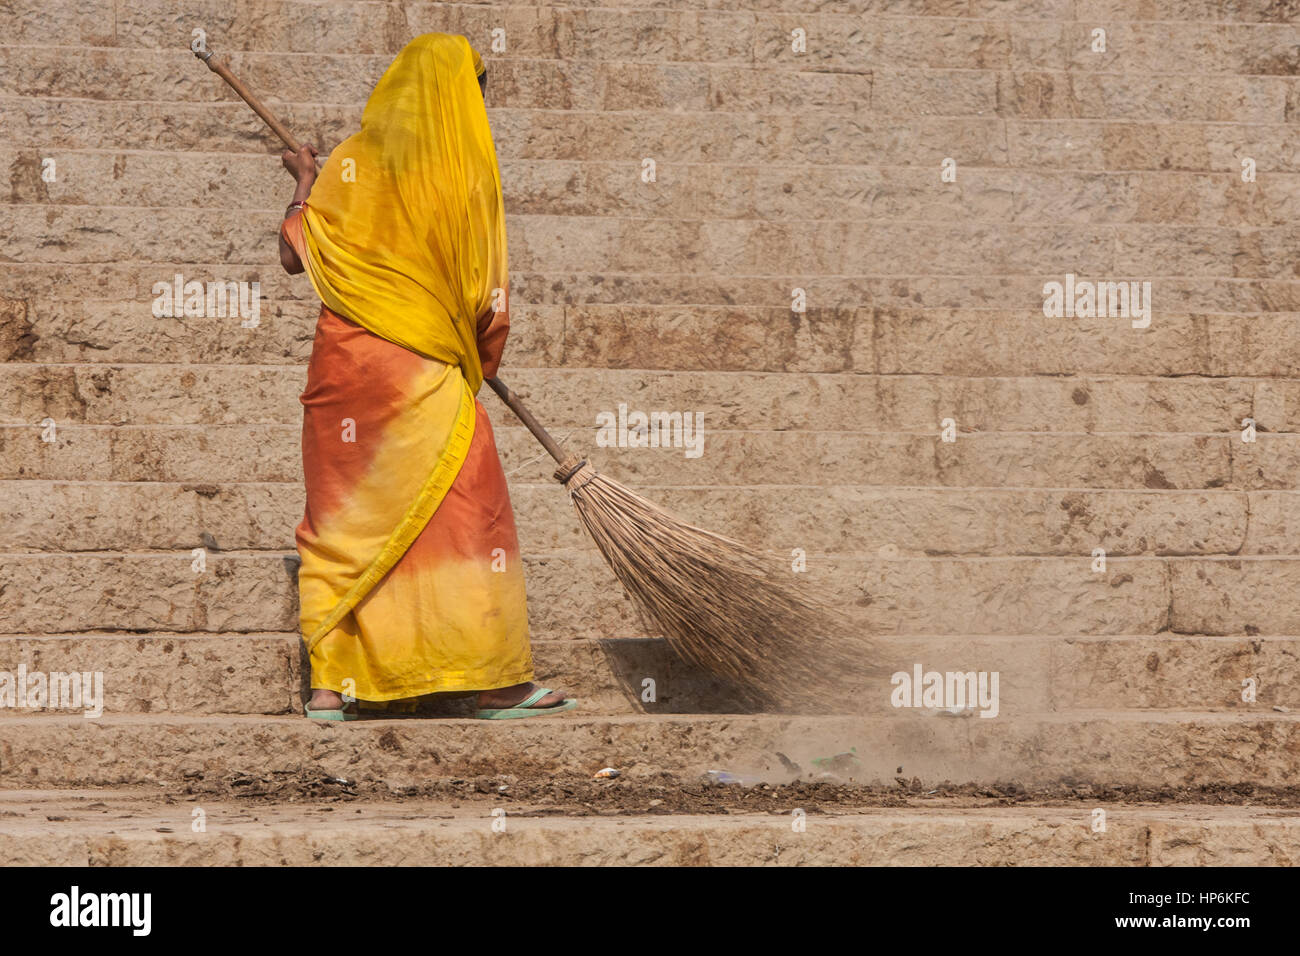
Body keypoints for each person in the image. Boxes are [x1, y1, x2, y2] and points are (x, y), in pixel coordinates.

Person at [276, 32, 575, 721]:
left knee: (345, 518)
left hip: (344, 372)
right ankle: (492, 681)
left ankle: (331, 688)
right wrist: (477, 358)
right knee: (467, 512)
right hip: (424, 373)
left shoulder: (349, 164)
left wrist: (302, 182)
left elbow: (296, 259)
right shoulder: (465, 172)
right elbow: (487, 291)